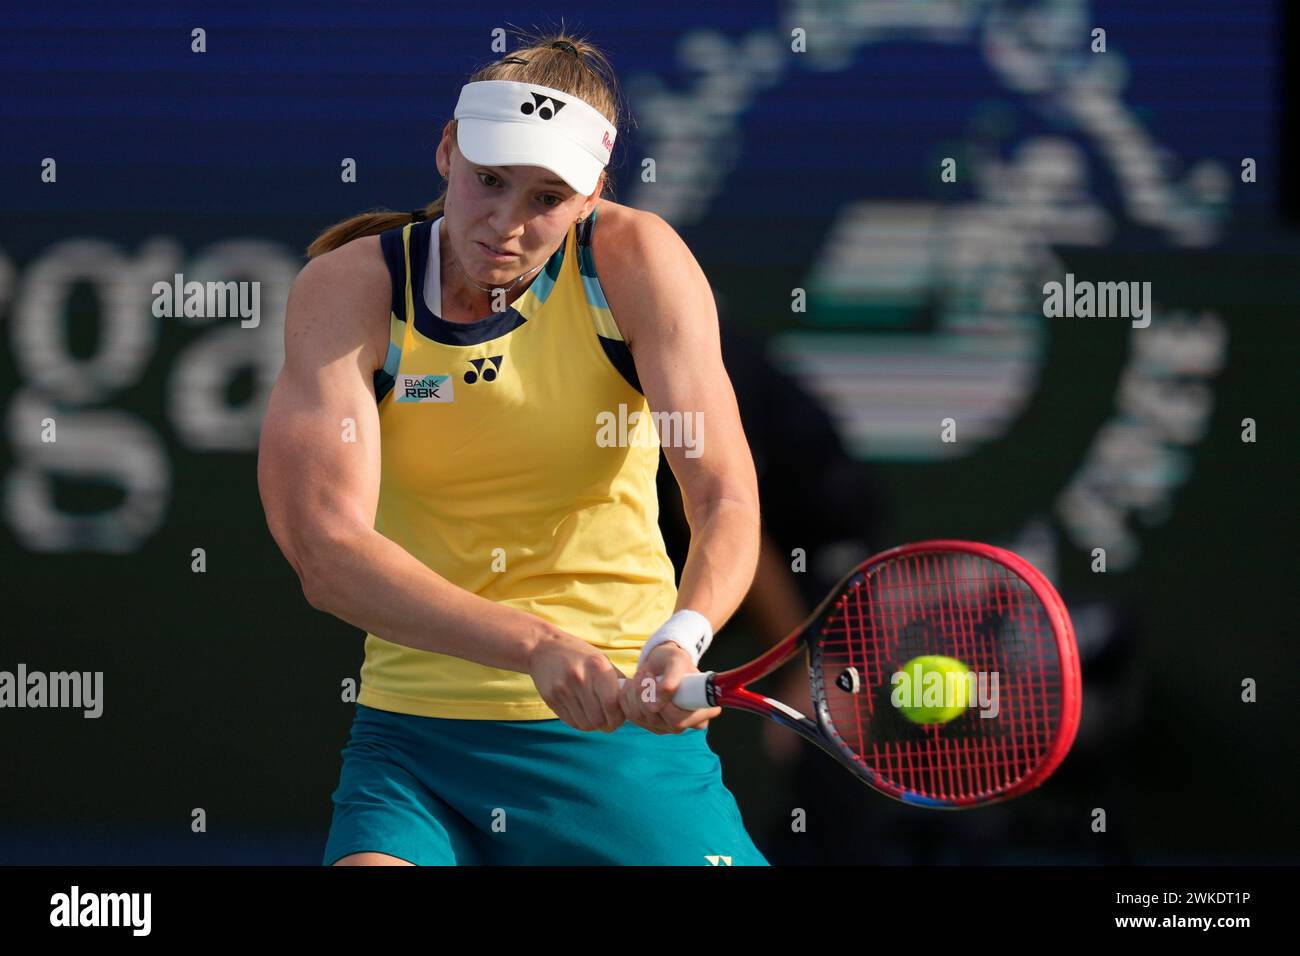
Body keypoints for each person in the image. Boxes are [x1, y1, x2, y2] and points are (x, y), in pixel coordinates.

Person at [257, 31, 769, 865]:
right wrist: (533, 644)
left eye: (546, 198)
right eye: (488, 181)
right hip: (414, 746)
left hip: (611, 744)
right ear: (446, 150)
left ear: (592, 195)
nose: (505, 223)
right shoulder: (351, 288)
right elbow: (325, 550)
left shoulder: (635, 260)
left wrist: (681, 637)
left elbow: (724, 499)